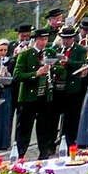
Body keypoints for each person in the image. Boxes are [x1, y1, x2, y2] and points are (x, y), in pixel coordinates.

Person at [12, 28, 53, 160]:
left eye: (46, 39)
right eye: (41, 39)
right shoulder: (26, 54)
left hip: (44, 95)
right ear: (35, 40)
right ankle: (20, 154)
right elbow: (17, 75)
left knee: (44, 127)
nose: (44, 42)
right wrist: (35, 74)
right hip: (28, 97)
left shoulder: (49, 53)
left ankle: (44, 153)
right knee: (24, 127)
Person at [52, 27, 88, 153]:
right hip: (57, 88)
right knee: (54, 117)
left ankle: (70, 143)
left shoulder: (80, 50)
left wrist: (69, 61)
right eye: (63, 39)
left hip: (72, 88)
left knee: (71, 118)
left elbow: (82, 64)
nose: (65, 41)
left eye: (67, 39)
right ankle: (52, 143)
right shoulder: (56, 48)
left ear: (73, 38)